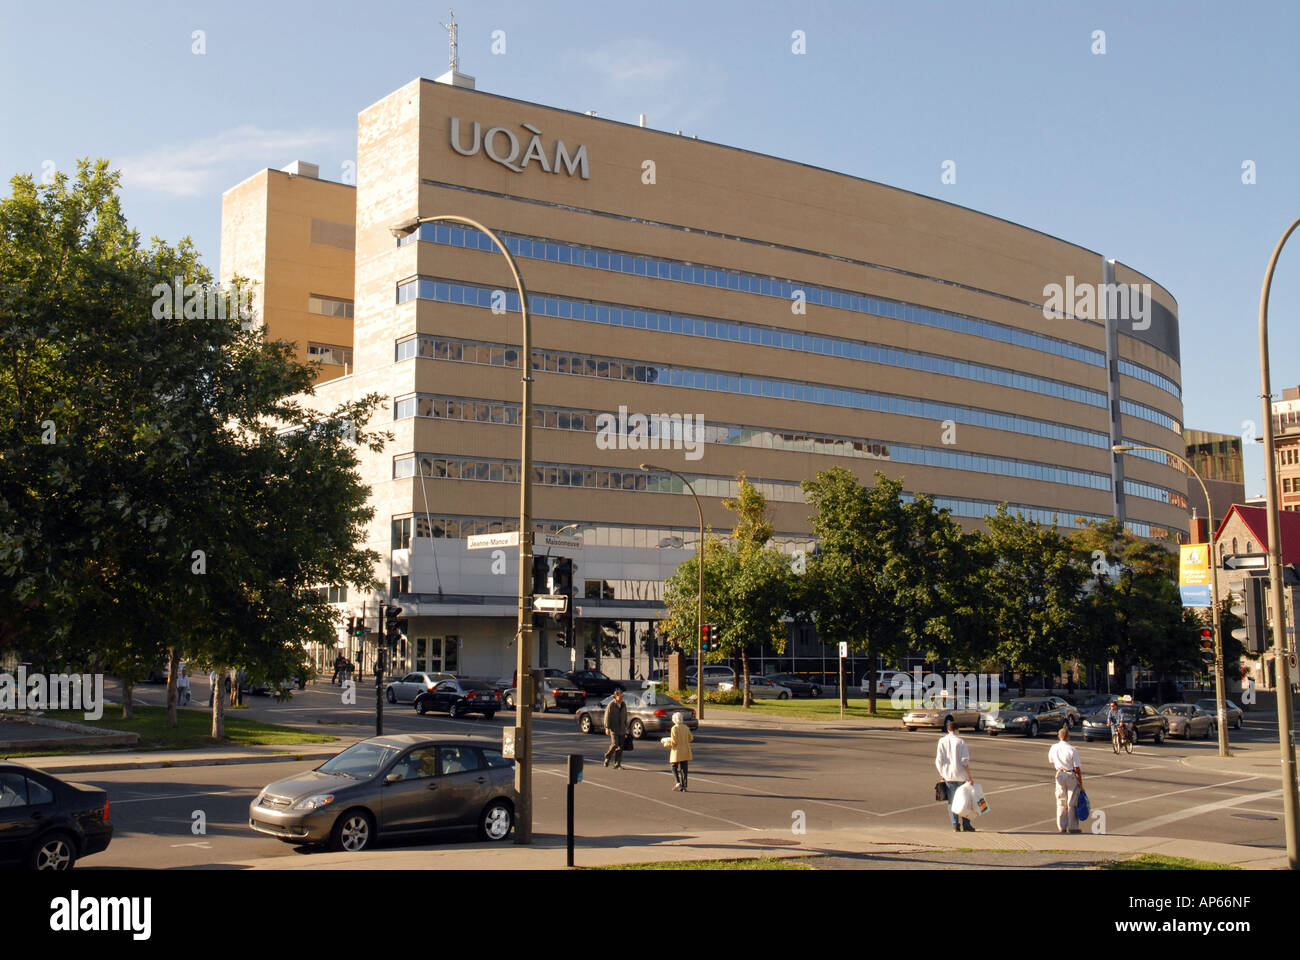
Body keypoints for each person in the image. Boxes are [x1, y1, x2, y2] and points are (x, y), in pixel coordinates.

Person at [935, 718, 975, 832]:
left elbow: (938, 760)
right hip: (961, 776)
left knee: (952, 802)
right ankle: (966, 825)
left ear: (948, 730)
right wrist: (970, 777)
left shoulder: (942, 741)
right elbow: (965, 762)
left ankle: (955, 825)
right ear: (957, 730)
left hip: (948, 775)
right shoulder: (961, 742)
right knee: (965, 801)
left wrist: (942, 773)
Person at [1048, 726, 1084, 833]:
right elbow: (1076, 768)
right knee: (1072, 802)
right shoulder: (1072, 749)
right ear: (1068, 737)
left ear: (1059, 737)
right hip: (1070, 774)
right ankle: (1072, 827)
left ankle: (1061, 826)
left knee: (1060, 800)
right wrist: (1080, 783)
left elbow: (1051, 761)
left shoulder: (1053, 747)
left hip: (1059, 773)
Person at [665, 712, 694, 791]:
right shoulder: (686, 727)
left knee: (674, 766)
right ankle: (684, 786)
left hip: (677, 750)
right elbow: (691, 738)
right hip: (685, 750)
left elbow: (674, 742)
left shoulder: (674, 728)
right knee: (684, 768)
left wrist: (666, 742)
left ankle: (678, 782)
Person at [603, 688, 628, 769]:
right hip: (614, 728)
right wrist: (607, 727)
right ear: (616, 696)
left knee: (620, 747)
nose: (621, 698)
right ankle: (607, 756)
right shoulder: (611, 705)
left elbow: (625, 716)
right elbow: (607, 716)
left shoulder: (623, 705)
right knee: (614, 744)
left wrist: (626, 727)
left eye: (622, 696)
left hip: (622, 729)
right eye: (620, 696)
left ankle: (617, 764)